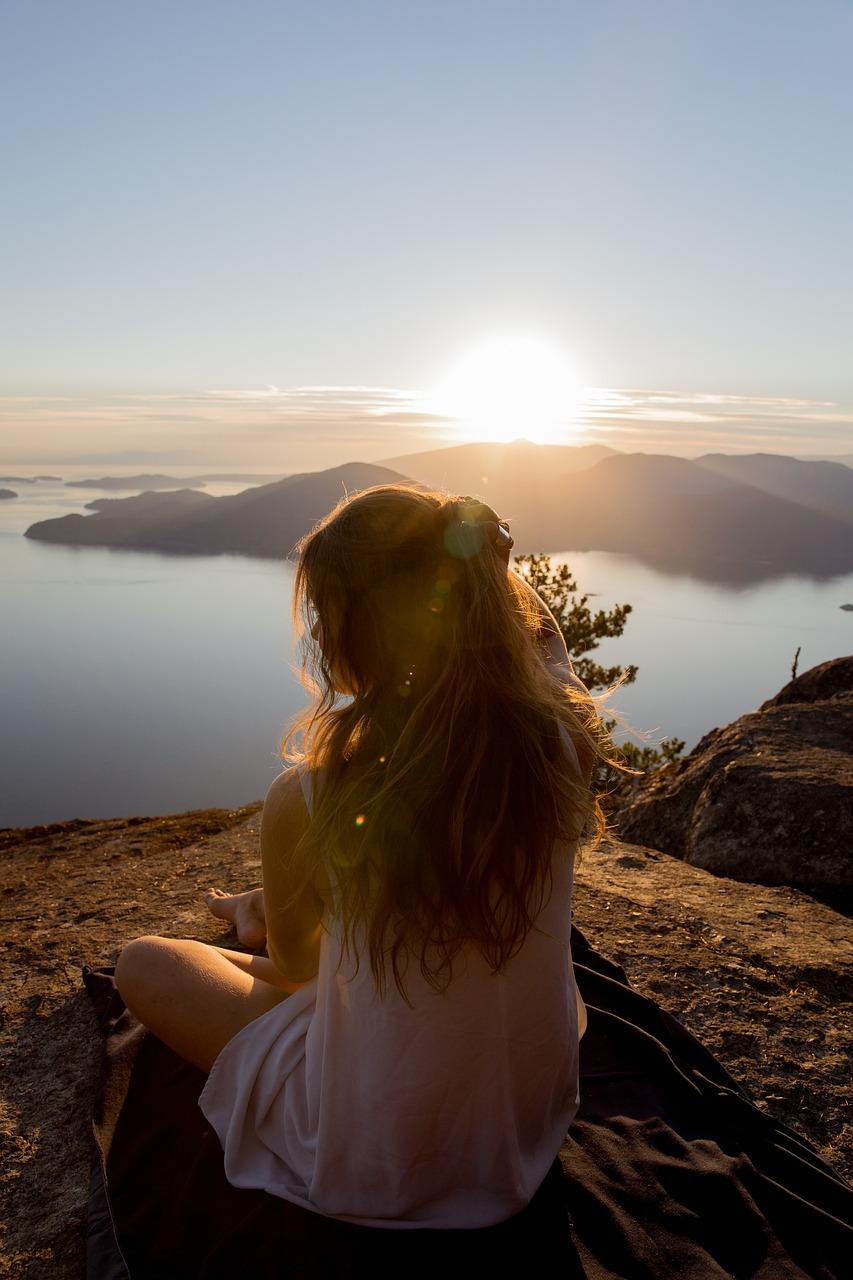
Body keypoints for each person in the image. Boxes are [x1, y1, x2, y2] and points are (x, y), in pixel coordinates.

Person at [114, 484, 625, 1230]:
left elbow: (295, 973)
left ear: (347, 632)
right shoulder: (560, 744)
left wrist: (273, 916)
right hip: (519, 1128)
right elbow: (546, 645)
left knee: (144, 963)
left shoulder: (313, 796)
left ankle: (260, 912)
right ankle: (269, 911)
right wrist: (489, 554)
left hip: (375, 1149)